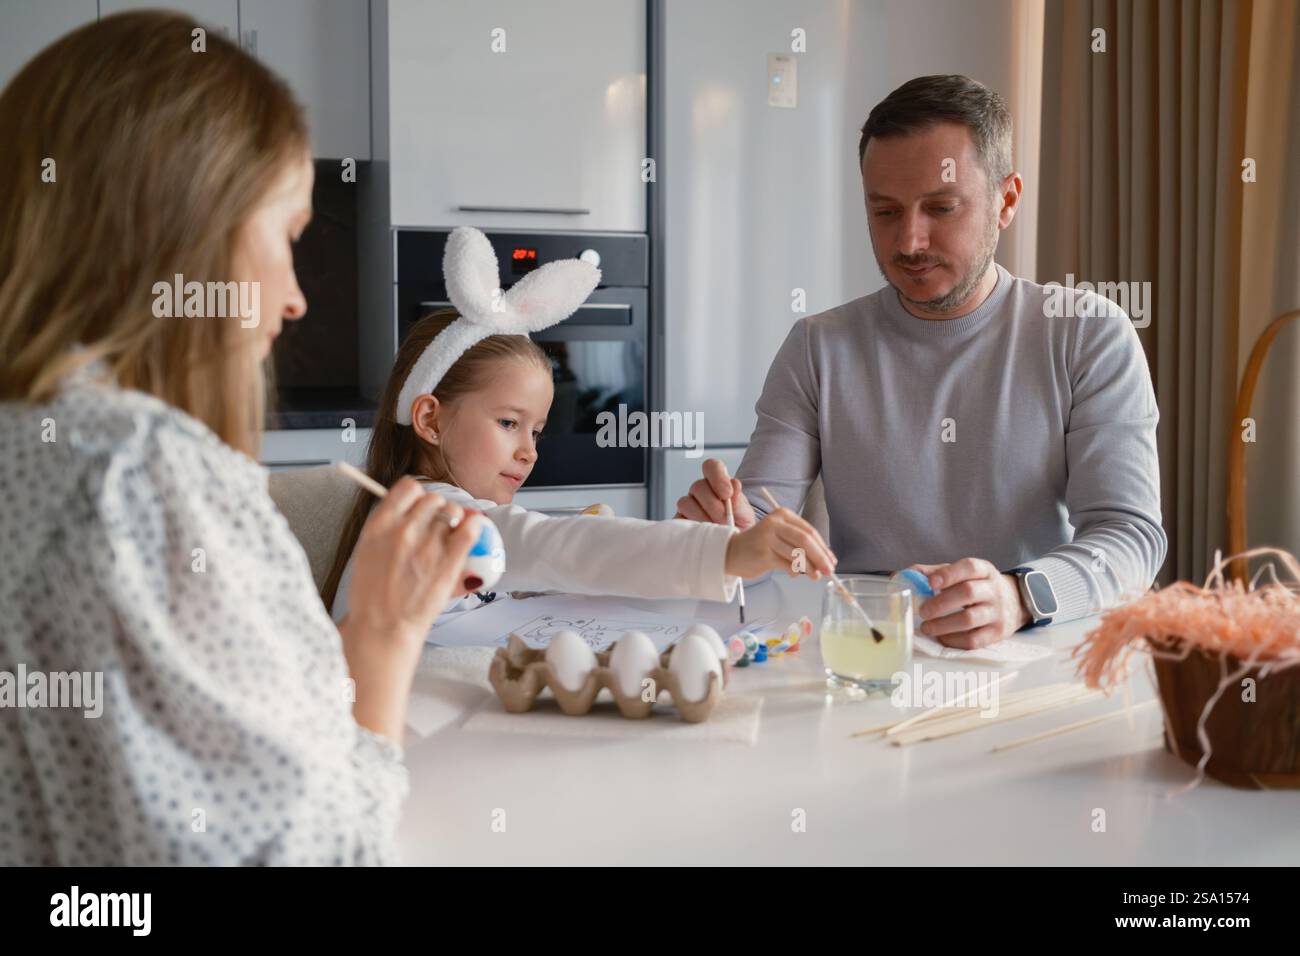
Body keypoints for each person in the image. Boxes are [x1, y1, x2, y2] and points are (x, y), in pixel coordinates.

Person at [0, 11, 477, 865]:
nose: (295, 300)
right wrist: (384, 633)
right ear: (184, 225)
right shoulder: (135, 471)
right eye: (287, 238)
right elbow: (301, 847)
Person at [677, 74, 1166, 649]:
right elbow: (762, 519)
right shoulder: (817, 346)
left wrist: (1019, 595)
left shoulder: (1086, 333)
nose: (909, 241)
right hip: (869, 652)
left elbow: (1131, 537)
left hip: (1034, 651)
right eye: (885, 212)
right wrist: (732, 532)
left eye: (941, 207)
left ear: (1006, 201)